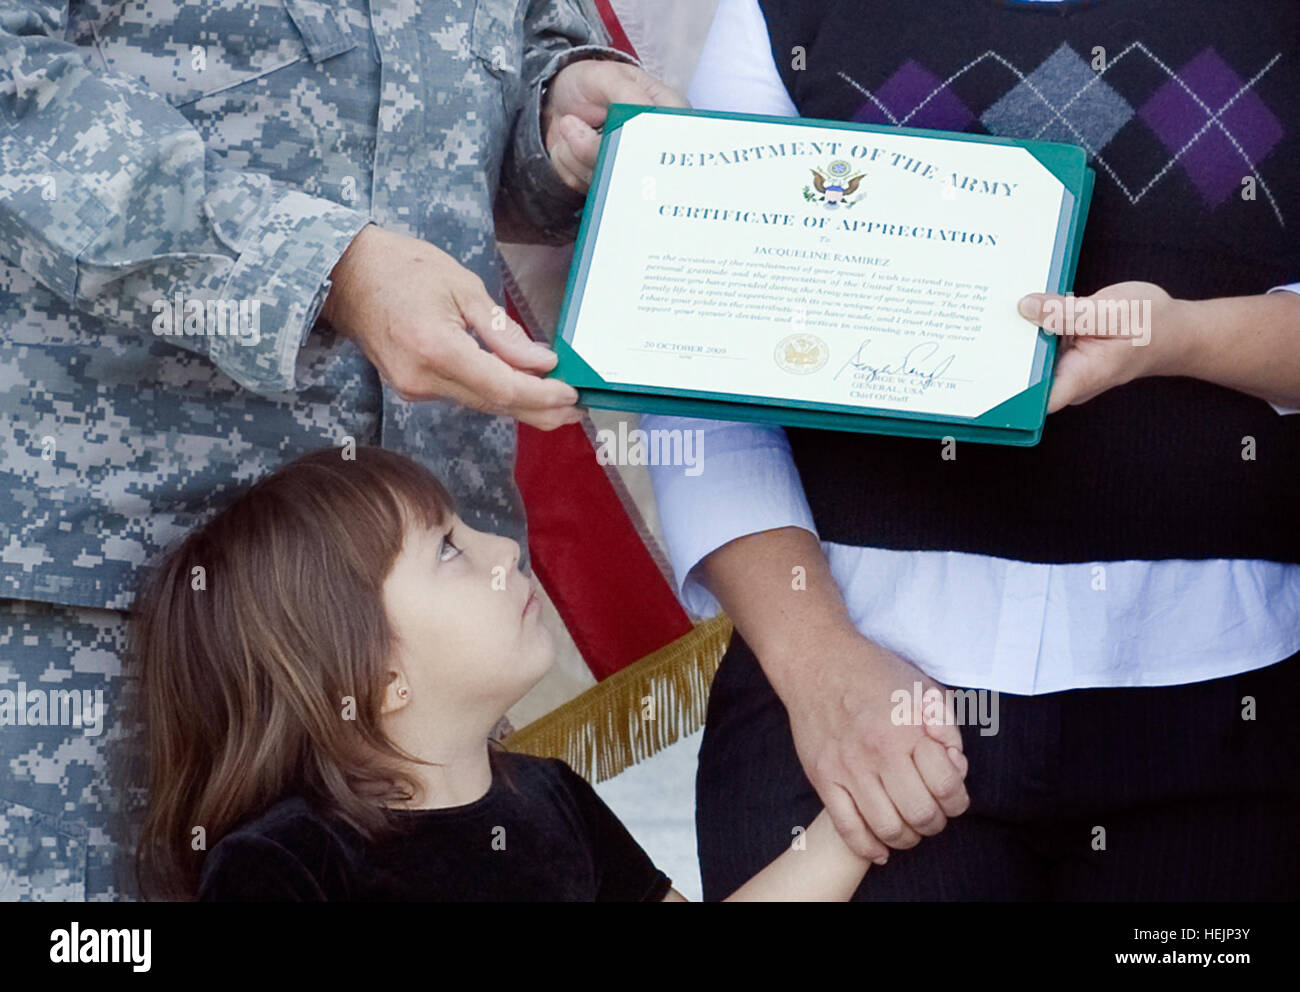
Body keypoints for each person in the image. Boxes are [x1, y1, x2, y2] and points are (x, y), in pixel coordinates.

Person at [0, 0, 681, 901]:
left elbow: (501, 59)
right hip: (118, 595)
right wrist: (323, 265)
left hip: (415, 618)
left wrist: (560, 110)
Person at [645, 0, 1300, 900]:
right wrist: (817, 662)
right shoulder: (782, 16)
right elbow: (695, 358)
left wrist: (1183, 338)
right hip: (861, 698)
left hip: (1233, 711)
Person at [128, 445, 875, 901]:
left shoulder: (552, 797)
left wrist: (857, 824)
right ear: (375, 675)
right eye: (448, 549)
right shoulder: (282, 865)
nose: (506, 550)